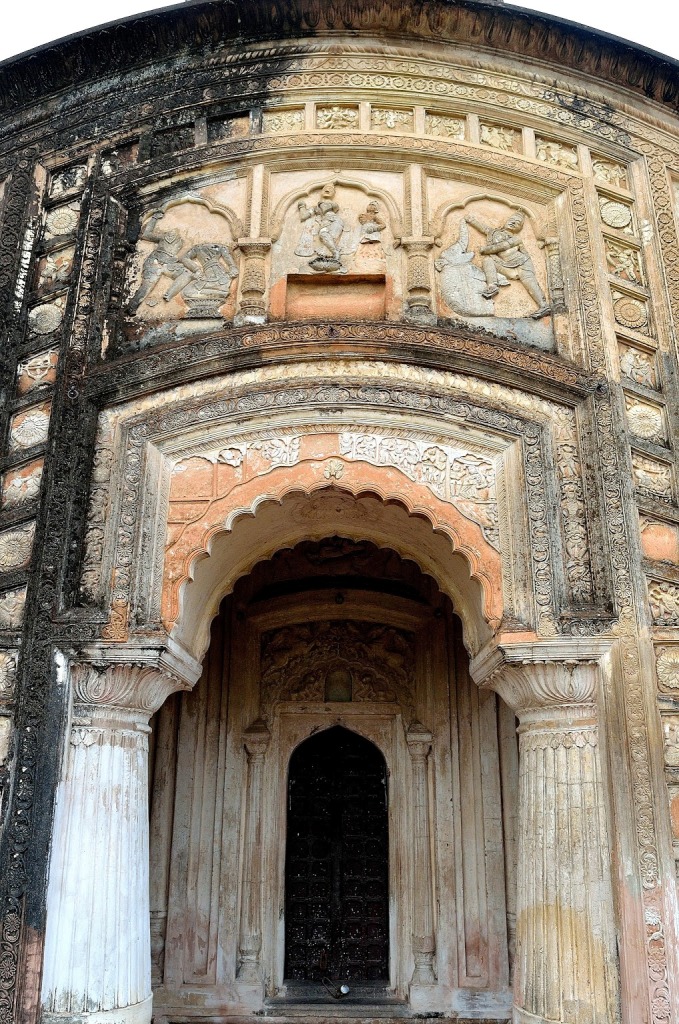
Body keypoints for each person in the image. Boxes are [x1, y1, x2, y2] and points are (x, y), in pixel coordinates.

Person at [465, 210, 551, 319]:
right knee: (487, 260)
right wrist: (471, 220)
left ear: (519, 228)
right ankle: (492, 286)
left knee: (530, 284)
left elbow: (503, 246)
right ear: (506, 221)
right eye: (512, 220)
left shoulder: (516, 239)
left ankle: (543, 306)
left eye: (518, 223)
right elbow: (484, 228)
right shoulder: (494, 233)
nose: (514, 223)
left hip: (523, 264)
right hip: (506, 265)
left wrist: (485, 250)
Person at [128, 210, 186, 312]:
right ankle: (132, 307)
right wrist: (154, 218)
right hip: (155, 261)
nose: (171, 235)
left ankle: (169, 294)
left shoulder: (180, 241)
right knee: (148, 285)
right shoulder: (163, 237)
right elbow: (146, 235)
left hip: (168, 263)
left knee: (186, 274)